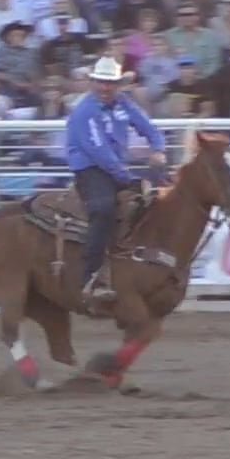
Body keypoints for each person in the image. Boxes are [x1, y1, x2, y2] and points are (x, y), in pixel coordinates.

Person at [63, 56, 165, 304]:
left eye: (110, 83)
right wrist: (126, 177)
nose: (106, 88)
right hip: (91, 169)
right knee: (103, 209)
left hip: (115, 166)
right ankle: (90, 276)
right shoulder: (85, 111)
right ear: (93, 82)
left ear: (118, 84)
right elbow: (98, 151)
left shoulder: (123, 103)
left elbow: (147, 126)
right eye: (101, 82)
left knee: (157, 199)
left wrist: (158, 148)